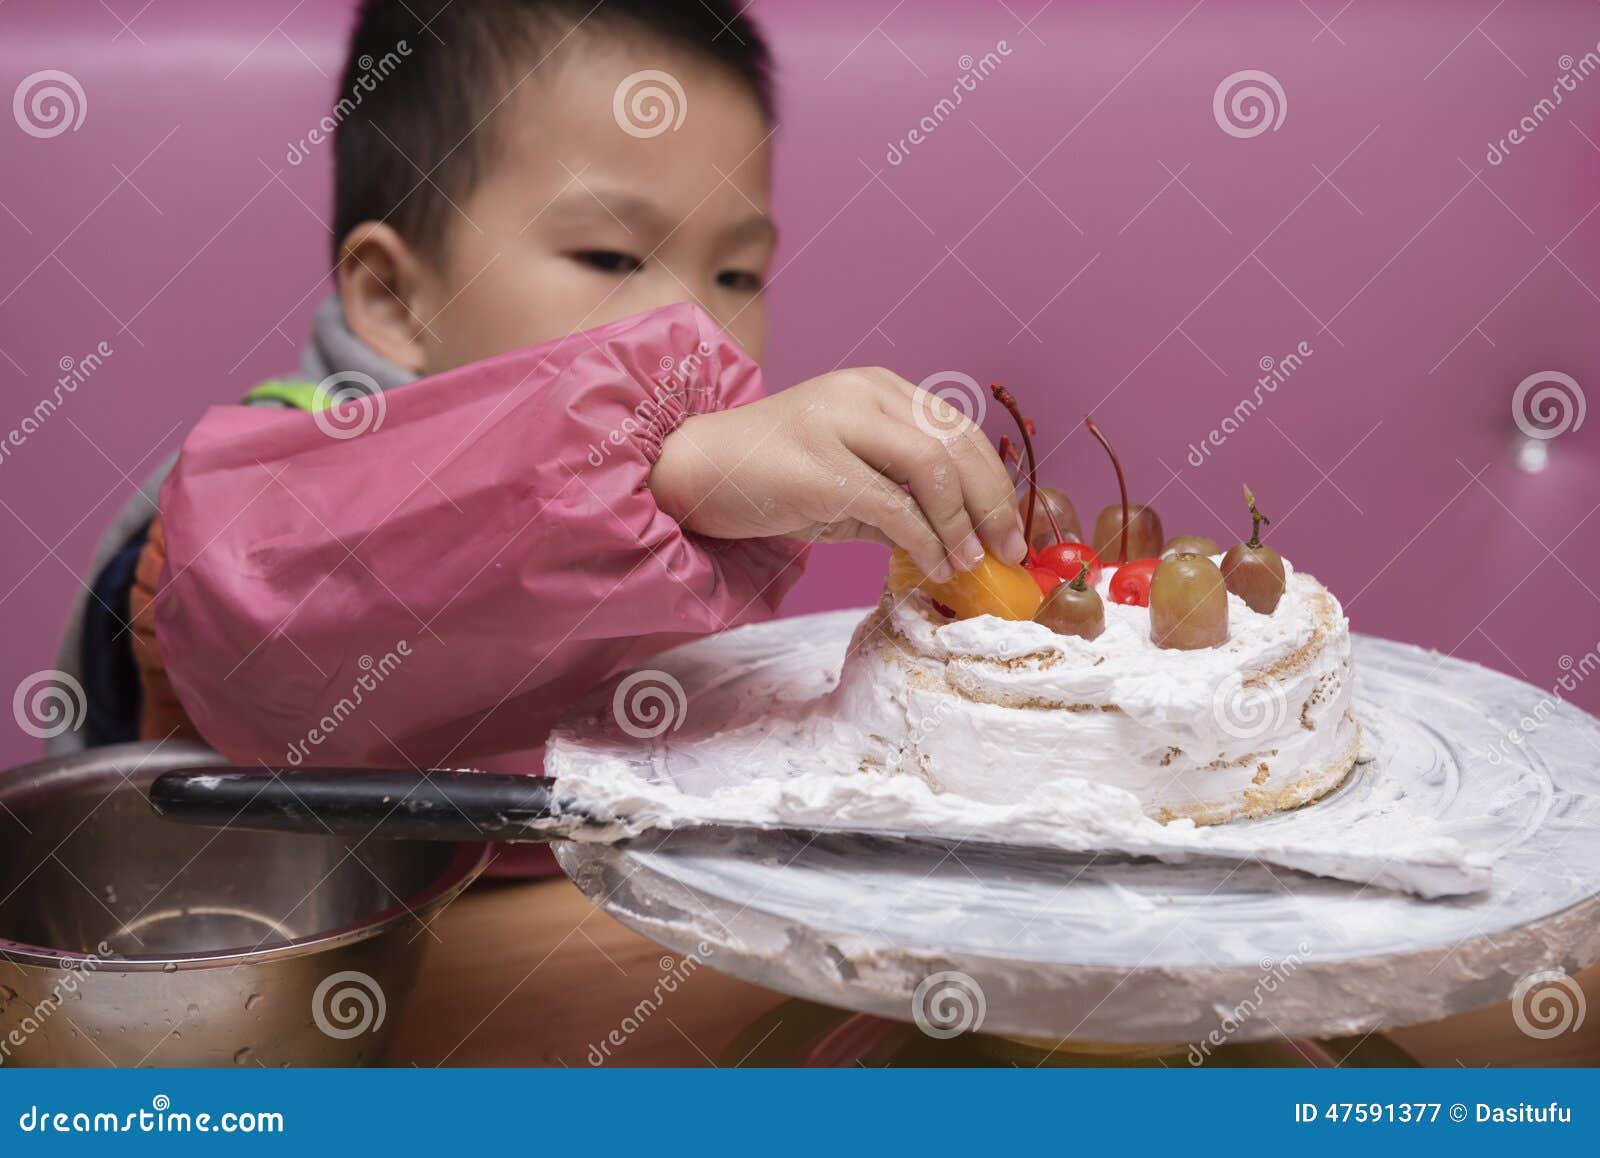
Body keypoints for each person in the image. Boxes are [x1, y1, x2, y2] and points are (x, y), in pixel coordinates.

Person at [61, 0, 1024, 794]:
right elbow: (237, 598)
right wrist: (670, 472)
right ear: (396, 299)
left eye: (738, 275)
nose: (697, 327)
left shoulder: (707, 525)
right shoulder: (279, 473)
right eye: (611, 256)